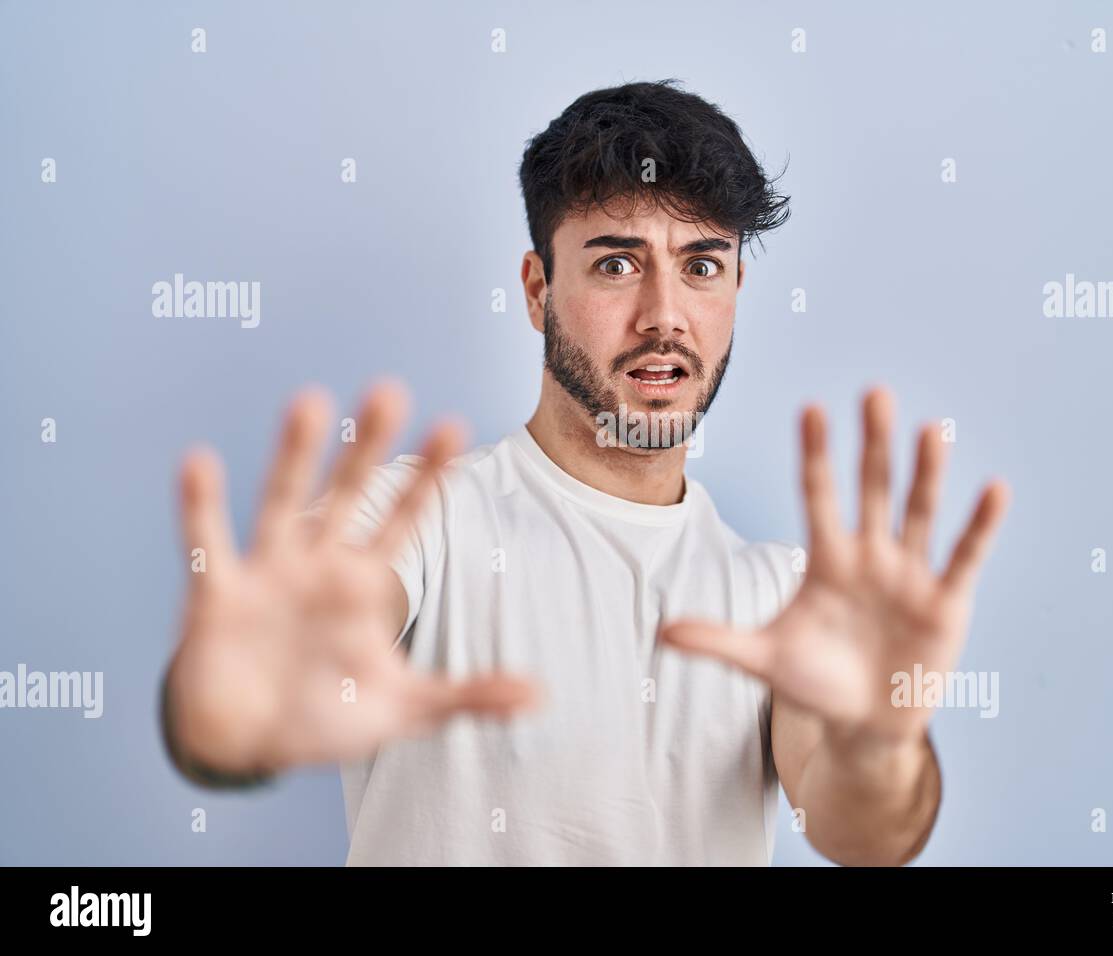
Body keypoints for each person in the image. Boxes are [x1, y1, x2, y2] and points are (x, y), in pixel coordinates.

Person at [161, 79, 1009, 866]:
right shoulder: (419, 517)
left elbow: (861, 826)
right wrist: (249, 680)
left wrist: (880, 743)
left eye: (701, 267)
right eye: (616, 262)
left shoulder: (783, 599)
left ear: (737, 289)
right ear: (536, 290)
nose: (665, 315)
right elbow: (241, 702)